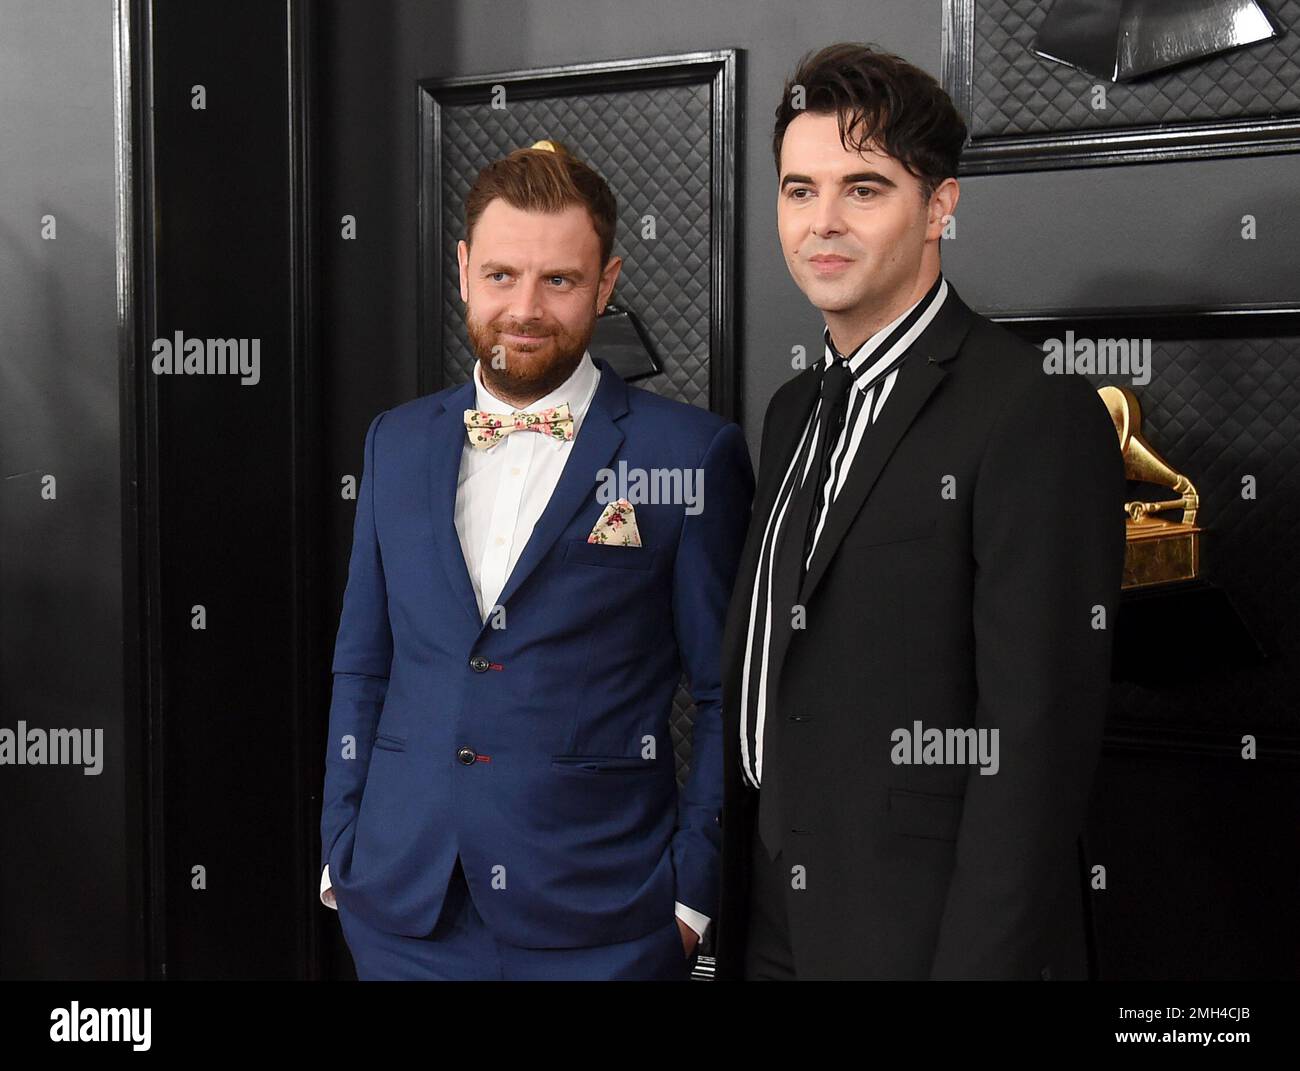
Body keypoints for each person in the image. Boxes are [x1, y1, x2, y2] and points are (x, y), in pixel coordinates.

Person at [713, 43, 1126, 980]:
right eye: (799, 188)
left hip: (920, 936)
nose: (822, 222)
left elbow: (1033, 752)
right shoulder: (790, 412)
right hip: (770, 918)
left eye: (864, 188)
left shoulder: (1031, 409)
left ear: (940, 205)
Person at [320, 141, 754, 980]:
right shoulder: (395, 441)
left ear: (607, 281)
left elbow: (725, 693)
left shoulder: (691, 455)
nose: (524, 307)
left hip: (606, 921)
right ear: (462, 271)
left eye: (558, 279)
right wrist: (342, 853)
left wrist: (691, 899)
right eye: (501, 275)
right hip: (403, 910)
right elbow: (362, 665)